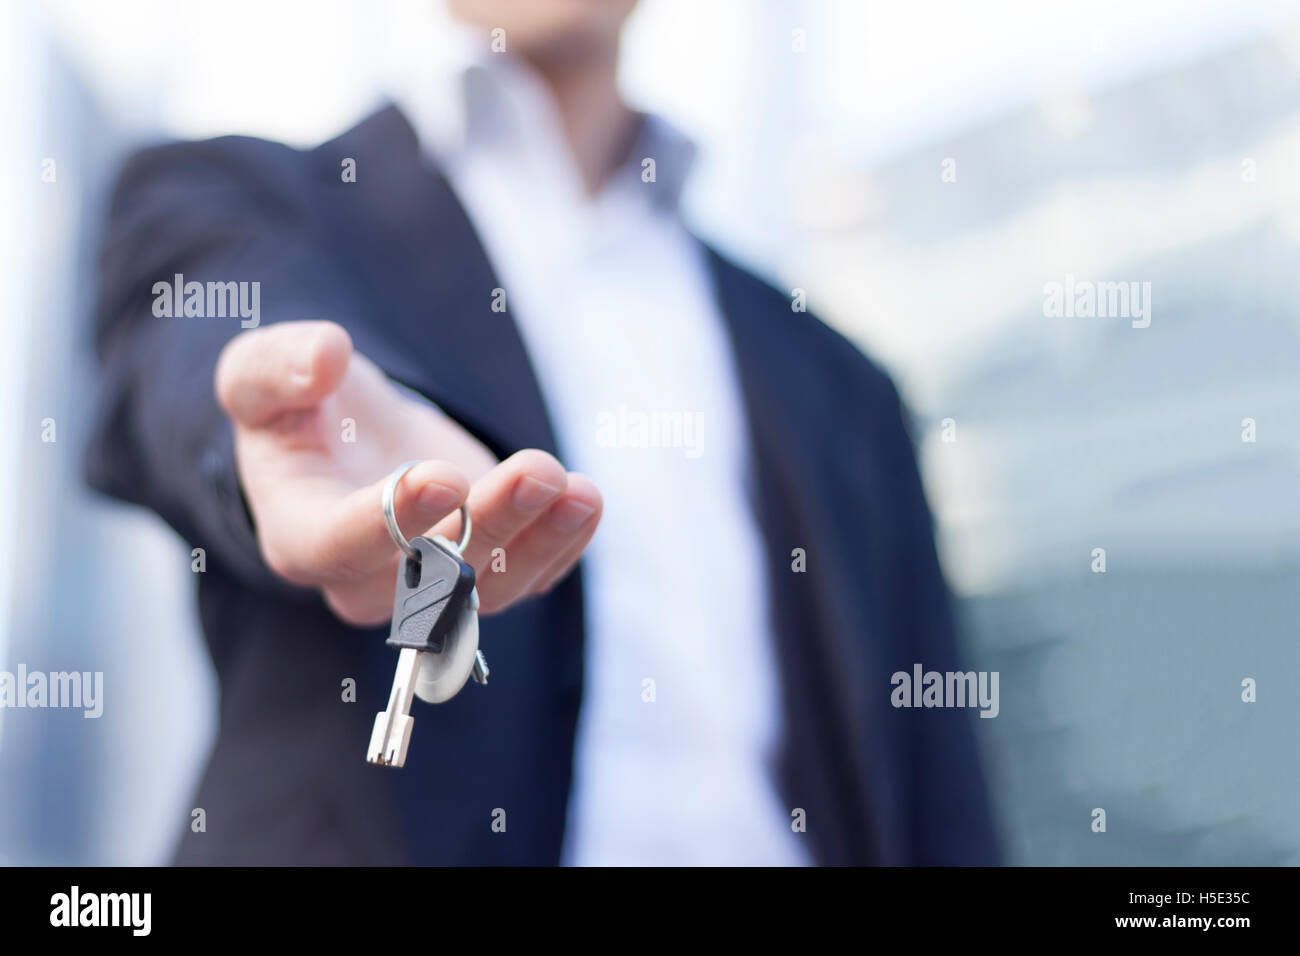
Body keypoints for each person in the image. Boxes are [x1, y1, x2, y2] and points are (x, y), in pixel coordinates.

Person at [86, 0, 999, 865]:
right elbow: (204, 343)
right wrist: (295, 437)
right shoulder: (241, 202)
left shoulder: (840, 379)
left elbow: (940, 796)